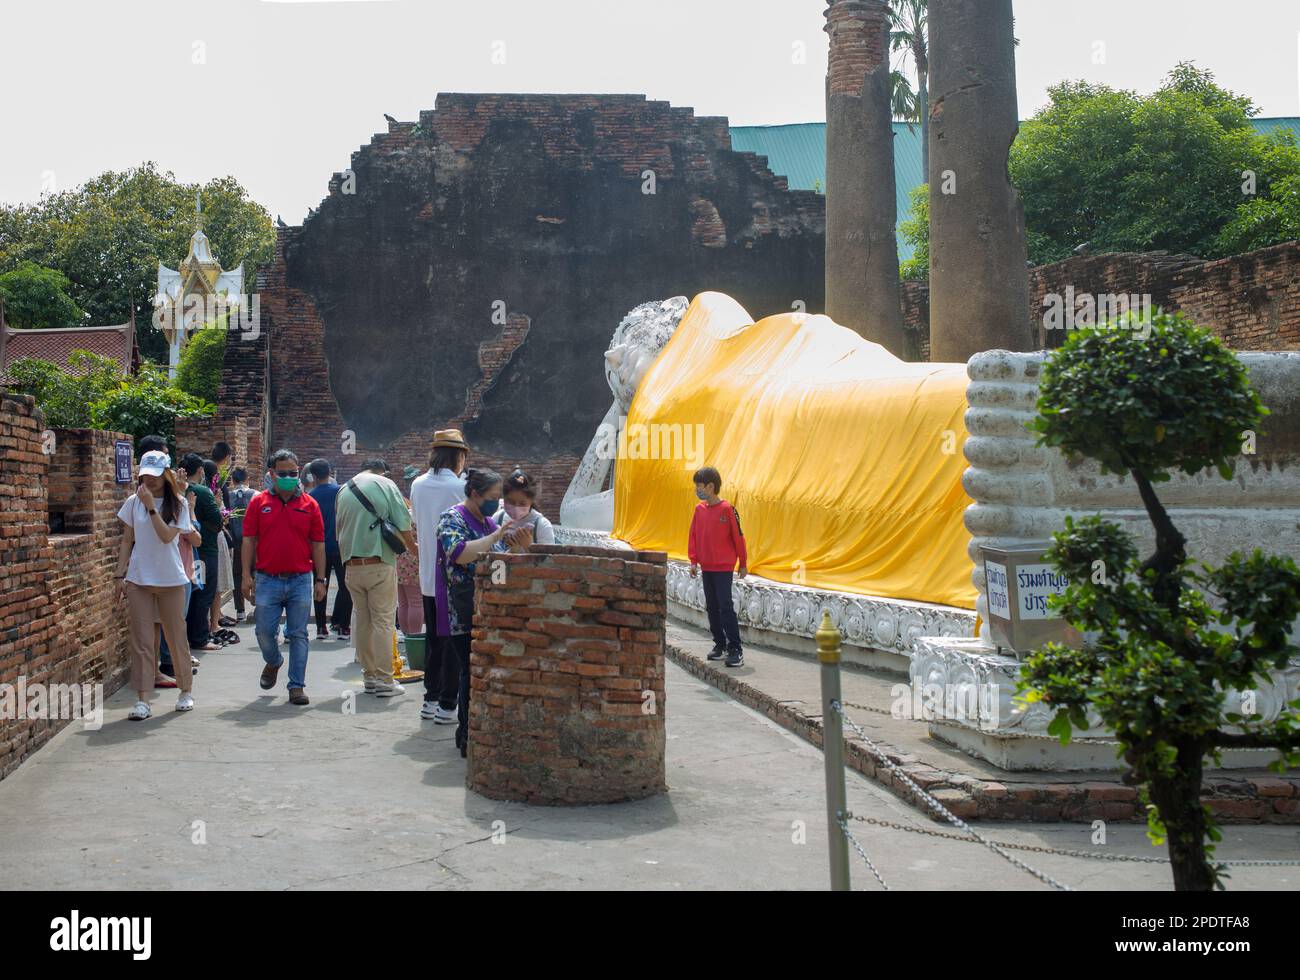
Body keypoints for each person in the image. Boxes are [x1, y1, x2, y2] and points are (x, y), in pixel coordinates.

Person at [436, 467, 533, 756]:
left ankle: (472, 730)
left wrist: (521, 549)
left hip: (487, 607)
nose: (496, 503)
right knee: (468, 669)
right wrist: (496, 537)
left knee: (479, 669)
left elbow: (502, 562)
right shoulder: (452, 518)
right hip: (459, 607)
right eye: (492, 497)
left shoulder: (490, 523)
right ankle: (467, 734)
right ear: (475, 494)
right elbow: (459, 553)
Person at [241, 449, 327, 706]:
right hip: (268, 578)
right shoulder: (259, 503)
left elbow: (318, 544)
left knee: (299, 634)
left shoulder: (310, 505)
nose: (289, 477)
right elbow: (248, 540)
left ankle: (296, 686)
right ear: (272, 474)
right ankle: (274, 660)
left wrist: (320, 579)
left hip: (301, 578)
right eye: (283, 473)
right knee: (264, 631)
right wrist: (246, 575)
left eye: (293, 473)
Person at [115, 450, 195, 720]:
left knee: (176, 638)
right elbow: (127, 540)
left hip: (171, 579)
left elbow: (164, 537)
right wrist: (119, 576)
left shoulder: (179, 504)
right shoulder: (132, 502)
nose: (149, 481)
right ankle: (143, 699)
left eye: (155, 476)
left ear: (166, 475)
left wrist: (151, 506)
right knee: (142, 641)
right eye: (145, 476)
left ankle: (185, 690)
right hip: (139, 578)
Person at [335, 458, 415, 697]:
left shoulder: (343, 488)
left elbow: (339, 529)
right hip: (378, 562)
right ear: (384, 471)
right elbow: (403, 522)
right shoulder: (385, 484)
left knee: (363, 622)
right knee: (383, 622)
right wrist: (414, 548)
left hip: (351, 565)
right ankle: (385, 680)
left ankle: (369, 677)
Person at [411, 430, 469, 723]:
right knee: (452, 643)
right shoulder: (459, 488)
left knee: (434, 638)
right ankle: (447, 703)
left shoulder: (417, 485)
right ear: (459, 456)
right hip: (452, 576)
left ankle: (430, 699)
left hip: (428, 575)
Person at [687, 465, 748, 668]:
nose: (698, 490)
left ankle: (735, 649)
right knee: (712, 607)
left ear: (711, 486)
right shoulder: (699, 510)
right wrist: (693, 560)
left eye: (700, 486)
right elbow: (693, 536)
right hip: (707, 568)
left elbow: (738, 537)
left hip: (723, 568)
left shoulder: (728, 510)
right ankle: (719, 644)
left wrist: (743, 563)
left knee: (725, 606)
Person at [179, 453, 224, 652]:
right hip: (205, 550)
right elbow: (217, 520)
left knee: (193, 594)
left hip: (184, 551)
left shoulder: (175, 489)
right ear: (200, 470)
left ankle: (190, 636)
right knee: (204, 593)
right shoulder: (202, 491)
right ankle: (199, 638)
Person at [307, 458, 352, 639]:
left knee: (319, 584)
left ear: (314, 476)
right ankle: (343, 626)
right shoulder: (341, 492)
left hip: (318, 549)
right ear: (330, 472)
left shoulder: (310, 496)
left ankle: (320, 628)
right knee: (345, 586)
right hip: (341, 546)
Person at [203, 458, 237, 641]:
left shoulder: (195, 492)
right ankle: (214, 623)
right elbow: (222, 519)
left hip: (202, 542)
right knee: (215, 586)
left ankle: (210, 620)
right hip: (215, 540)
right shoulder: (213, 493)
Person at [396, 466, 424, 636]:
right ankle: (414, 636)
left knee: (404, 602)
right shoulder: (421, 515)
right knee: (416, 602)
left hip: (399, 558)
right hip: (415, 558)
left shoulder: (403, 513)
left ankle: (406, 636)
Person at [227, 467, 256, 622]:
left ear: (232, 480)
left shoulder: (228, 496)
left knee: (238, 575)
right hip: (255, 541)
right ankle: (259, 604)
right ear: (247, 479)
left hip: (236, 542)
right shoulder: (256, 495)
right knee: (257, 571)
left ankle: (240, 610)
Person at [499, 468, 556, 544]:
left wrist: (529, 547)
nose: (516, 507)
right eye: (510, 502)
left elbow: (548, 556)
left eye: (522, 504)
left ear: (531, 501)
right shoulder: (498, 519)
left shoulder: (542, 526)